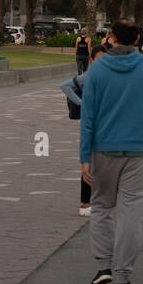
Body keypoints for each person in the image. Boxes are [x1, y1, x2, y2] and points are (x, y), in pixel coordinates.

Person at [80, 22, 143, 284]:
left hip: (102, 151)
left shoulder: (96, 69)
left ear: (112, 39)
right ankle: (123, 278)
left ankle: (103, 266)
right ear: (138, 39)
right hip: (136, 151)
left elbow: (88, 117)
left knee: (102, 207)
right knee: (130, 213)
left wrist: (84, 157)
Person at [62, 45, 107, 216]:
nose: (102, 63)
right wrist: (82, 103)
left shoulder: (108, 77)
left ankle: (96, 201)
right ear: (92, 60)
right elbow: (65, 86)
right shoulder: (88, 76)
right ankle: (85, 203)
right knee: (90, 162)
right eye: (99, 59)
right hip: (91, 125)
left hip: (105, 125)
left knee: (102, 163)